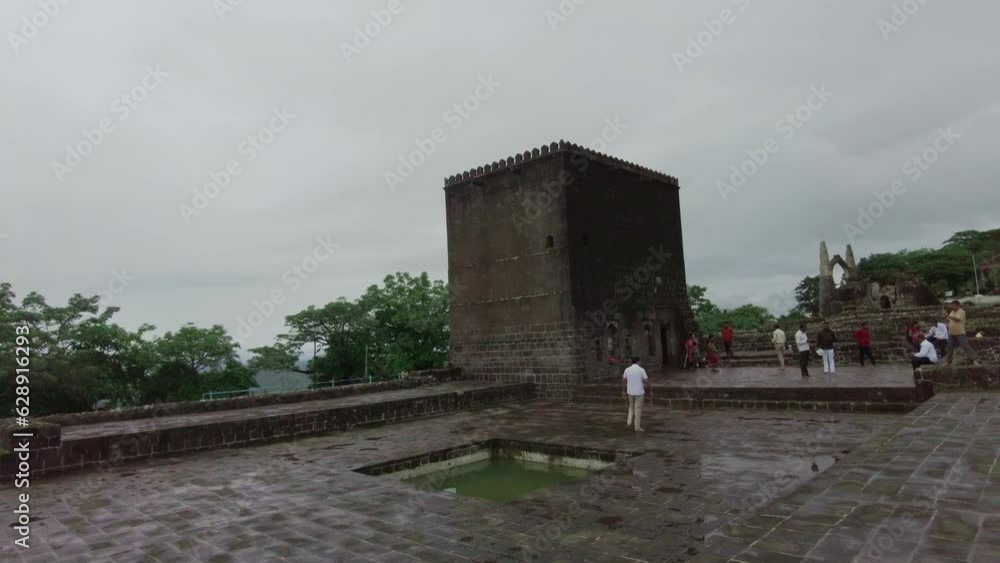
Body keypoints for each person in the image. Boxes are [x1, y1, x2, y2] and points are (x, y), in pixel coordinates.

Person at [943, 300, 981, 366]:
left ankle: (975, 359)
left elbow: (957, 319)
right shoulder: (952, 312)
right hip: (951, 332)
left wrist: (948, 315)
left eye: (954, 305)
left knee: (965, 346)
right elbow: (950, 320)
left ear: (958, 305)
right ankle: (948, 361)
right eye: (952, 306)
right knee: (950, 347)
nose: (953, 307)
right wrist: (946, 316)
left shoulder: (961, 312)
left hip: (960, 332)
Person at [622, 356, 648, 432]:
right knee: (638, 409)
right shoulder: (641, 370)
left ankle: (629, 422)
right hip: (639, 392)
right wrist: (651, 389)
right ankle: (637, 427)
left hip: (630, 392)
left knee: (631, 406)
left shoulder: (627, 370)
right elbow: (646, 380)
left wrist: (623, 391)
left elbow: (623, 380)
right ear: (638, 361)